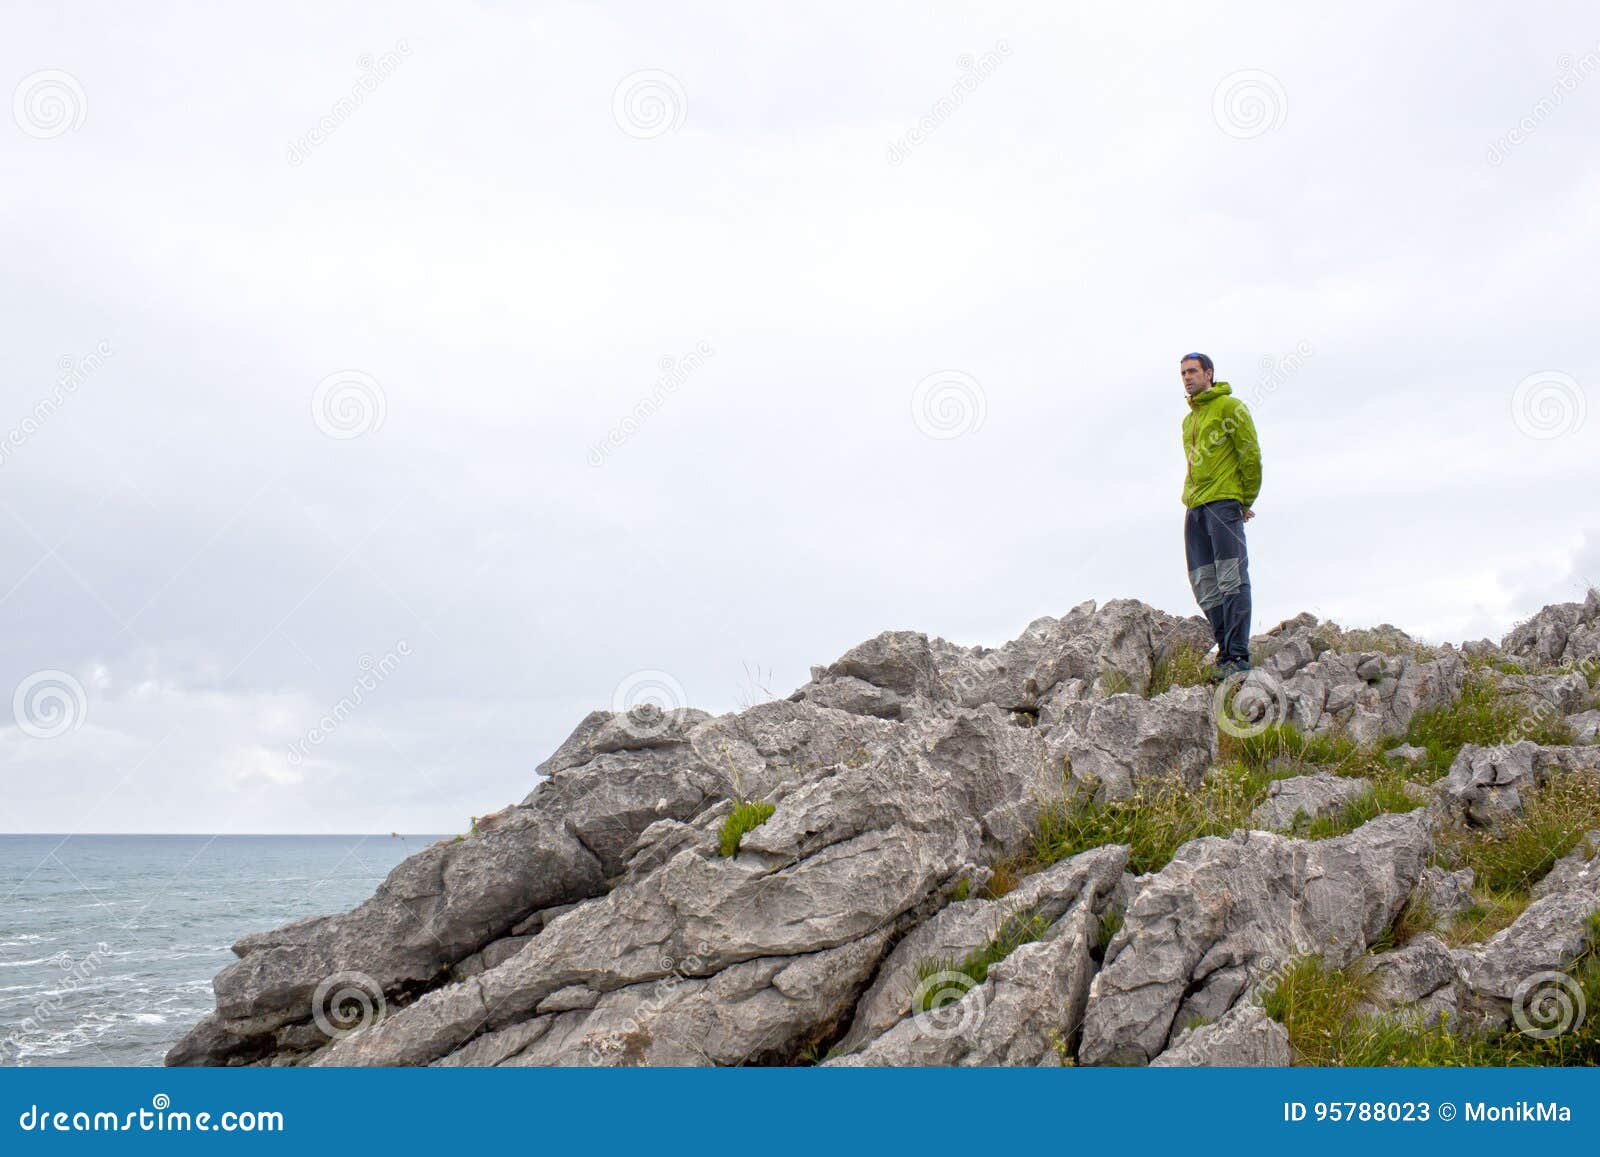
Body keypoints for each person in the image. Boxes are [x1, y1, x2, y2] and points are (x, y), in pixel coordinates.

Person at [1179, 352, 1261, 679]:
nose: (1187, 378)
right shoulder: (1189, 419)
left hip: (1223, 502)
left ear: (1209, 373)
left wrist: (1244, 499)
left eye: (1193, 371)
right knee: (1203, 582)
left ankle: (1237, 657)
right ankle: (1224, 652)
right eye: (1183, 373)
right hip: (1195, 506)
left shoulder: (1231, 407)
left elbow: (1250, 455)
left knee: (1232, 578)